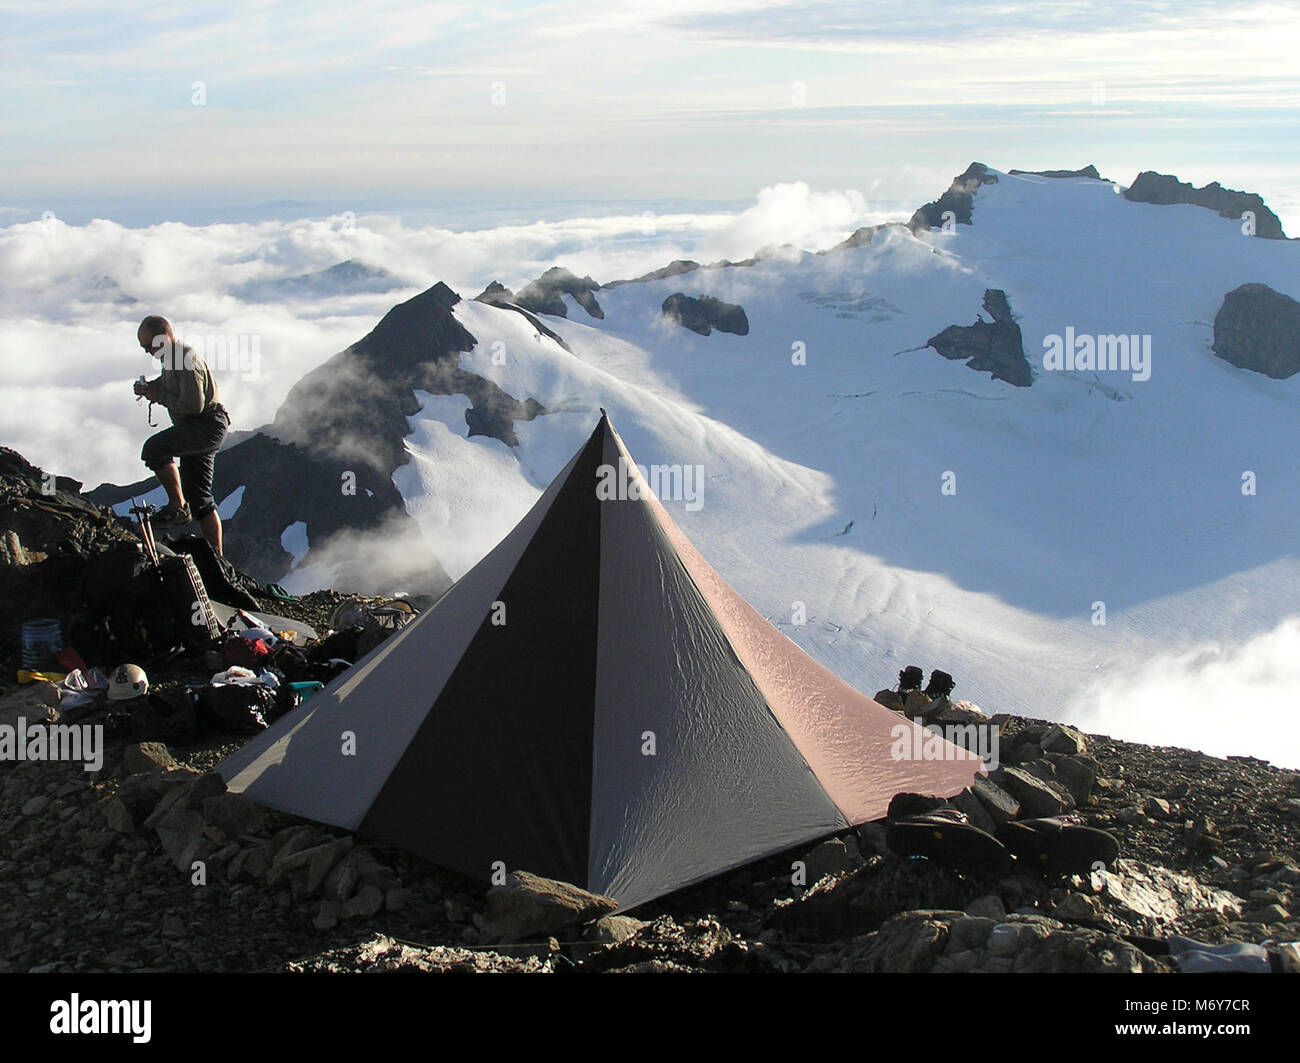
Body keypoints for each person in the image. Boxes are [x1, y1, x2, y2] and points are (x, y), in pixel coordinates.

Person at [133, 315, 231, 556]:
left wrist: (159, 396)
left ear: (162, 337)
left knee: (154, 449)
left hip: (204, 425)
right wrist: (151, 388)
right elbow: (174, 385)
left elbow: (193, 405)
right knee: (200, 500)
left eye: (148, 346)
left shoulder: (183, 358)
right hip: (206, 428)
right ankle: (218, 560)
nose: (147, 352)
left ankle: (177, 507)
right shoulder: (173, 358)